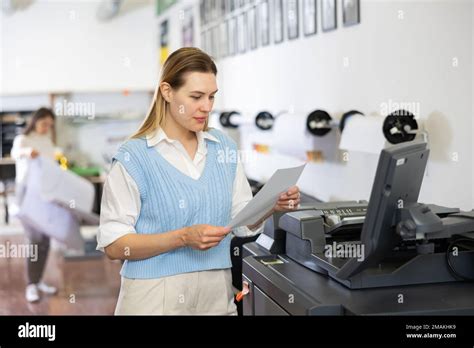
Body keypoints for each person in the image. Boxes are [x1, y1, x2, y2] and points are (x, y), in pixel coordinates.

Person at [97, 47, 300, 315]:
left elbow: (241, 223)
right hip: (152, 294)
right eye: (196, 97)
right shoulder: (133, 157)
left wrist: (271, 205)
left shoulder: (223, 147)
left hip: (216, 290)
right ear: (167, 92)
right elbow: (114, 245)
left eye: (212, 97)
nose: (207, 107)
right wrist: (182, 237)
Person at [11, 107, 59, 303]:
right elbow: (16, 153)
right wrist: (26, 152)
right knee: (34, 239)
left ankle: (38, 281)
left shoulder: (47, 141)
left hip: (45, 195)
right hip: (27, 195)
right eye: (44, 123)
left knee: (46, 241)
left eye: (50, 125)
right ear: (35, 120)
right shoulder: (23, 139)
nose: (47, 127)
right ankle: (31, 284)